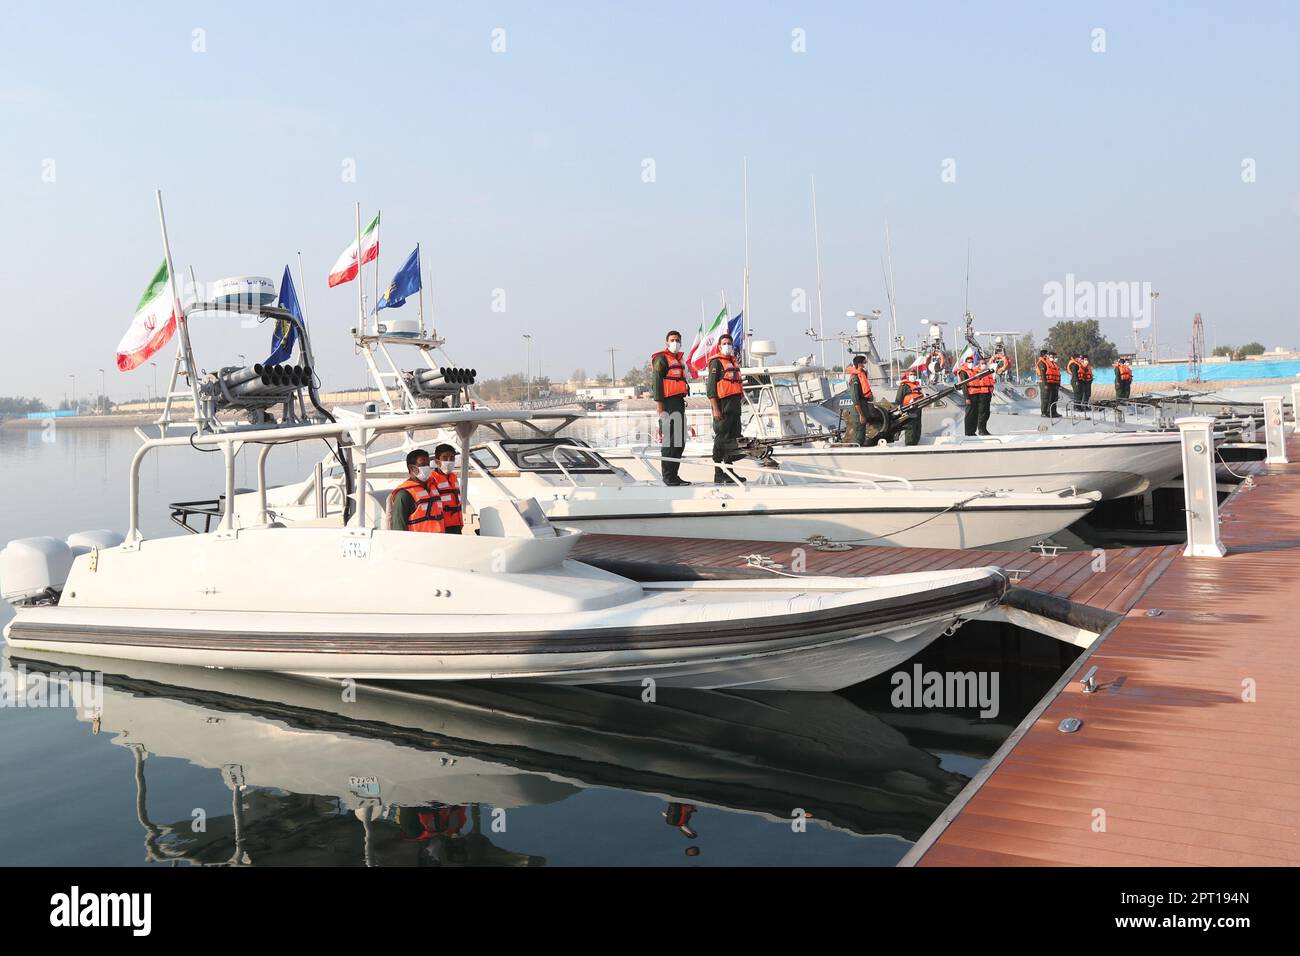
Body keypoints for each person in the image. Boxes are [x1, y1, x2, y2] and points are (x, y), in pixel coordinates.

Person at [651, 331, 692, 486]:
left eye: (677, 340)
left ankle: (674, 475)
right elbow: (657, 382)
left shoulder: (678, 361)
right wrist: (660, 406)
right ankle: (668, 476)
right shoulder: (661, 359)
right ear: (667, 342)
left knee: (679, 442)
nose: (675, 342)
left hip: (678, 402)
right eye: (672, 340)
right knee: (669, 441)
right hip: (667, 404)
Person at [706, 333, 745, 484]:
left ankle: (729, 471)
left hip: (735, 408)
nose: (727, 346)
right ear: (719, 346)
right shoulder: (716, 363)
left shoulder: (733, 363)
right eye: (724, 343)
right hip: (723, 407)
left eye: (729, 343)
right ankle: (718, 473)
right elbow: (711, 389)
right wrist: (715, 408)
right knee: (721, 439)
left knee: (733, 440)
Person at [386, 448, 444, 532]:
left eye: (428, 464)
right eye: (423, 465)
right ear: (411, 468)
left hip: (440, 541)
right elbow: (399, 529)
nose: (427, 468)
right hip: (418, 543)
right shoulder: (403, 495)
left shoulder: (432, 487)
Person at [955, 351, 995, 436]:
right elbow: (964, 385)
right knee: (970, 415)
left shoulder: (973, 371)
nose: (971, 363)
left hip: (977, 395)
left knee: (976, 414)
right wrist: (967, 398)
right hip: (971, 395)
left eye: (972, 362)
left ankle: (973, 432)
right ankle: (969, 433)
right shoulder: (963, 371)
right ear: (965, 362)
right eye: (969, 362)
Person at [845, 354, 880, 445]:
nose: (864, 366)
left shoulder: (861, 377)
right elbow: (855, 399)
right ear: (859, 364)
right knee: (859, 438)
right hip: (858, 412)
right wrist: (861, 415)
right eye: (863, 363)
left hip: (863, 408)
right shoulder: (855, 379)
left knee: (862, 436)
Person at [430, 443, 464, 533]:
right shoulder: (431, 479)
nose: (449, 461)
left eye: (452, 458)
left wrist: (460, 522)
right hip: (442, 526)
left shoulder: (453, 477)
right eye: (445, 458)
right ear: (437, 461)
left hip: (457, 524)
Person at [894, 368, 925, 446]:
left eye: (914, 374)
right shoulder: (904, 386)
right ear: (908, 376)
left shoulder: (917, 385)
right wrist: (899, 410)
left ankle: (915, 443)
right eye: (911, 374)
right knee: (910, 428)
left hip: (917, 409)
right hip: (908, 409)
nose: (913, 376)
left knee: (917, 427)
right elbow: (898, 399)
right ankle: (909, 444)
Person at [1036, 349, 1061, 418]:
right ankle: (1044, 412)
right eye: (1047, 355)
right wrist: (1045, 384)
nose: (1053, 358)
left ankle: (1053, 412)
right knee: (1045, 398)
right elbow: (1043, 374)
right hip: (1045, 383)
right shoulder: (1042, 362)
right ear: (1044, 355)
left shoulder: (1052, 364)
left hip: (1052, 383)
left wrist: (1057, 384)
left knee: (1053, 398)